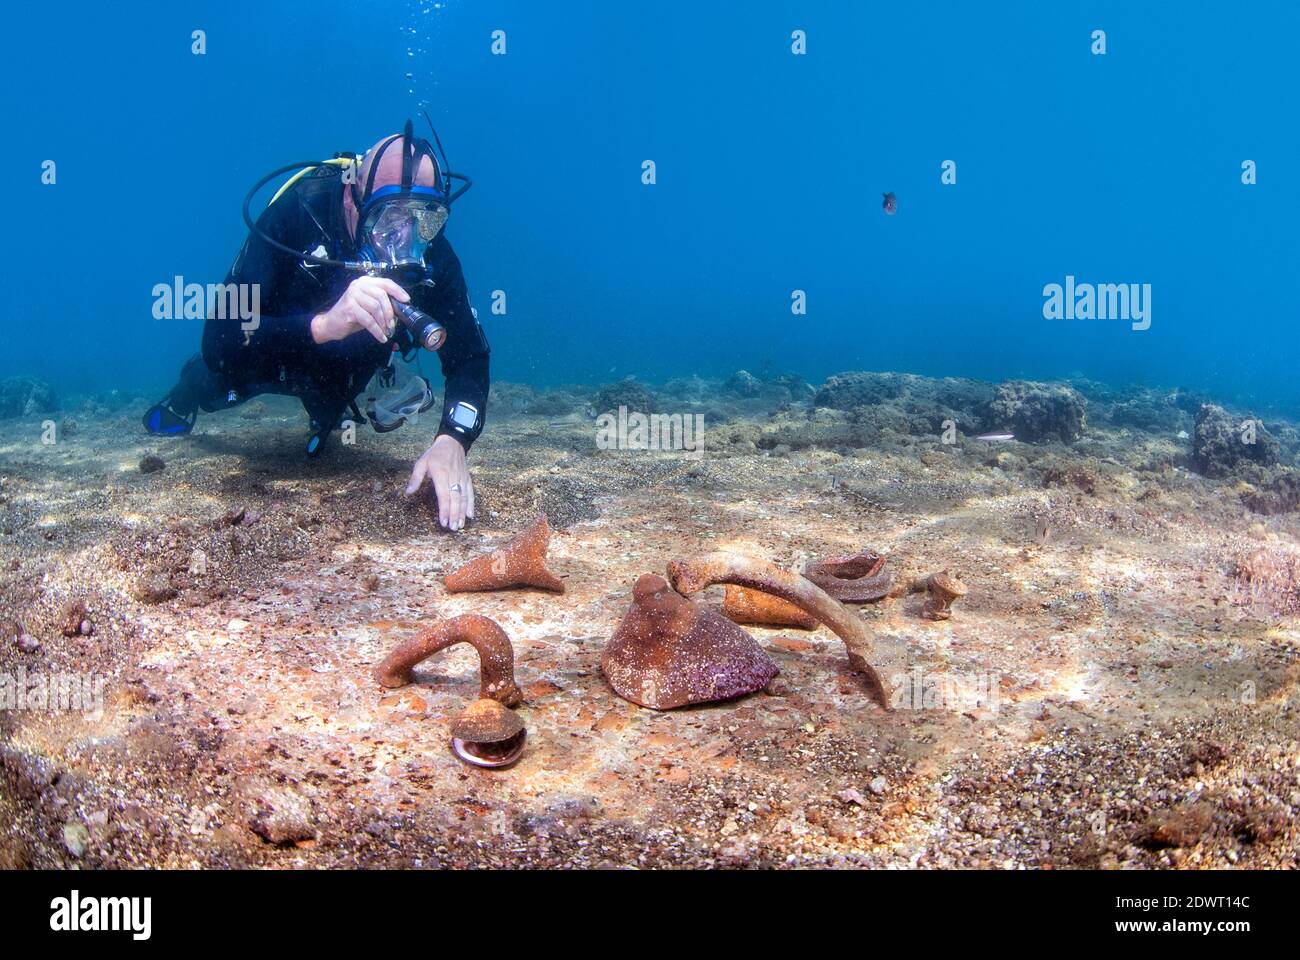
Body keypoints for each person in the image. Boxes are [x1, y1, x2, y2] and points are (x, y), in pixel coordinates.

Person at [143, 121, 489, 531]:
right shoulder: (295, 214)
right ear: (351, 198)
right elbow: (220, 339)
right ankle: (189, 388)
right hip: (272, 354)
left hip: (345, 371)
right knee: (219, 384)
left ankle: (328, 408)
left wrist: (453, 439)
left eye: (425, 218)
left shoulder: (433, 256)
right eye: (389, 217)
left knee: (330, 418)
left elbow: (469, 355)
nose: (406, 240)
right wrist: (325, 325)